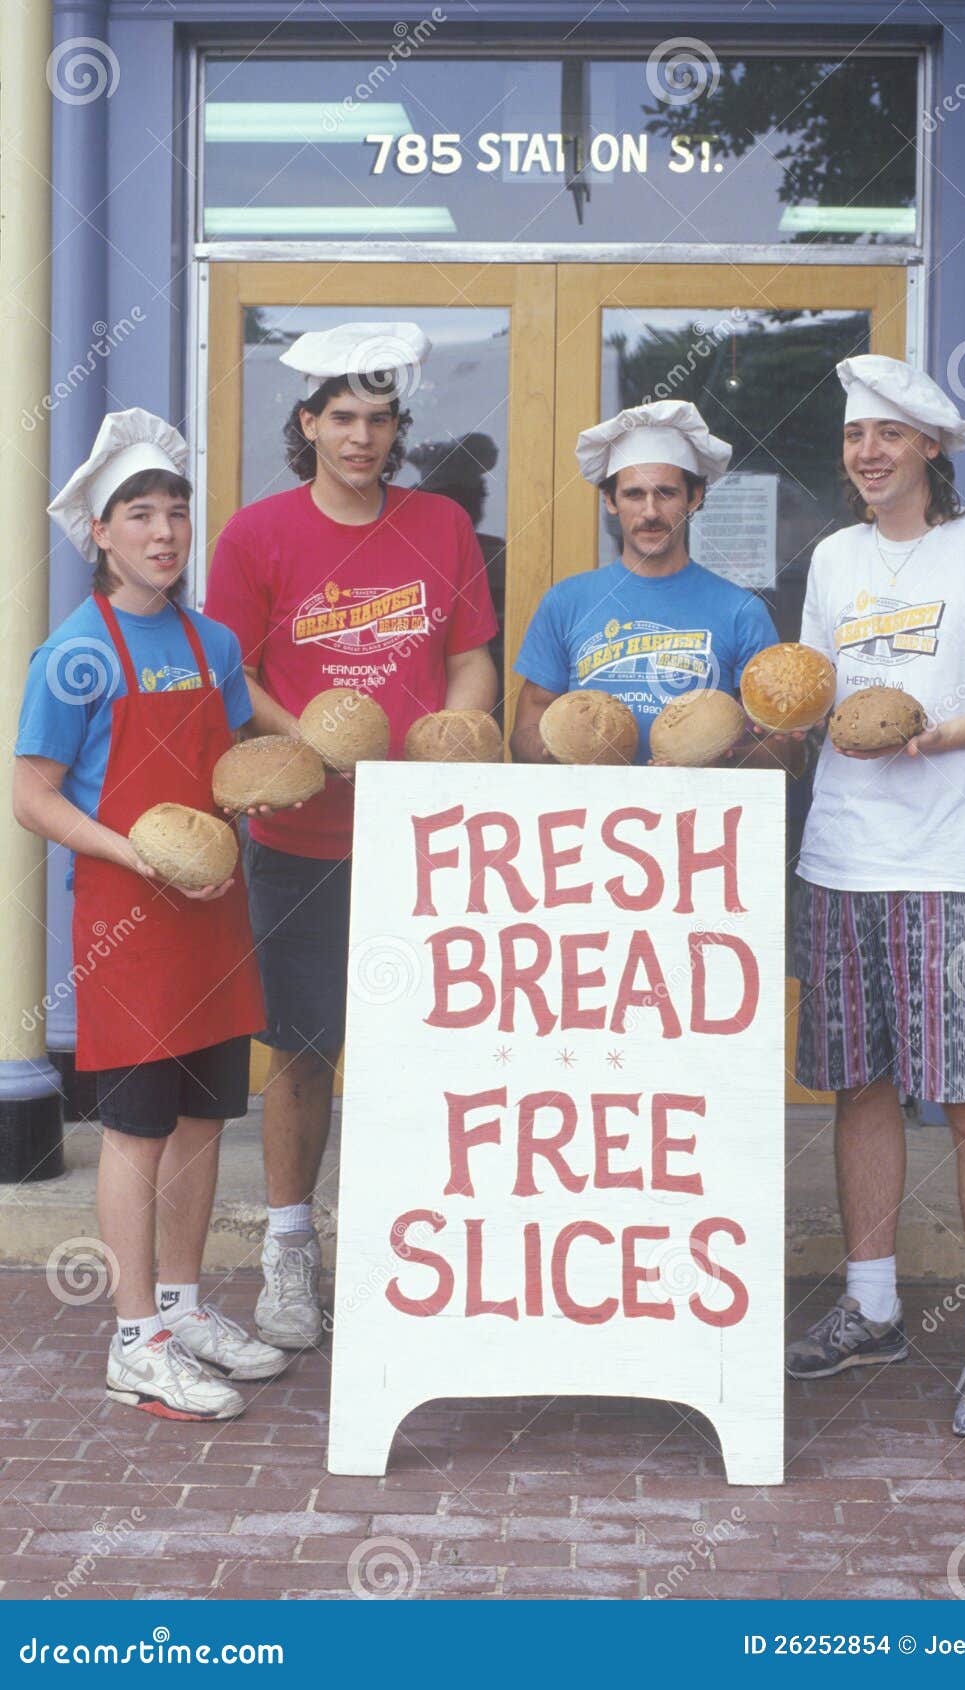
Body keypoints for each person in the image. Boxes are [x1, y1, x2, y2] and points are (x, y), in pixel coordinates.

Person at [787, 354, 965, 1438]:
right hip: (840, 858)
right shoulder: (832, 556)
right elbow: (812, 695)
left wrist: (948, 730)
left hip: (948, 867)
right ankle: (870, 1306)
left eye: (890, 437)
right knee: (858, 1086)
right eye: (857, 437)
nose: (868, 454)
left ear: (931, 450)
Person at [205, 323, 498, 1351]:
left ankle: (409, 1253)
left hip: (424, 837)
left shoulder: (441, 528)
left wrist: (450, 740)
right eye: (342, 418)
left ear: (396, 429)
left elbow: (471, 657)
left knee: (426, 1048)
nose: (362, 437)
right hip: (302, 835)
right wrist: (311, 741)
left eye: (379, 419)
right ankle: (290, 1250)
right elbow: (229, 671)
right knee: (299, 1050)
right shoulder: (256, 535)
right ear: (307, 424)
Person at [14, 409, 285, 1420]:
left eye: (176, 511)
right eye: (141, 513)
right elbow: (32, 795)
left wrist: (264, 789)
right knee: (133, 1131)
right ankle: (135, 1337)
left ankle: (183, 1305)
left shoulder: (213, 643)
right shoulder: (74, 654)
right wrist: (137, 852)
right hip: (127, 922)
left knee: (206, 1119)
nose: (165, 531)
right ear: (102, 533)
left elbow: (220, 766)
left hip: (213, 913)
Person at [510, 399, 804, 776]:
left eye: (665, 493)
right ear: (610, 500)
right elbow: (524, 729)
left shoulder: (740, 611)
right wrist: (556, 750)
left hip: (706, 826)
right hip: (590, 822)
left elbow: (789, 756)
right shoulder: (566, 602)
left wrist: (728, 759)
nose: (650, 512)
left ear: (694, 498)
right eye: (634, 494)